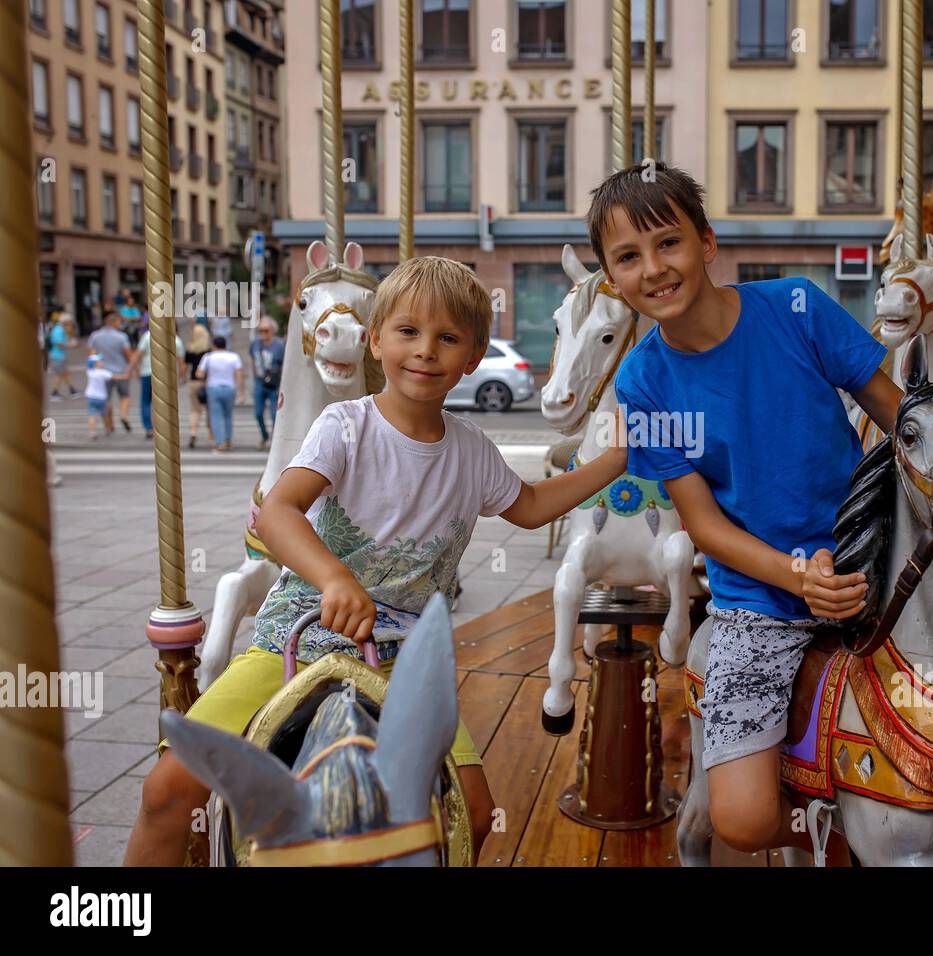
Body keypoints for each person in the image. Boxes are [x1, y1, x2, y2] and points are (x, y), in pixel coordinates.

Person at [125, 255, 630, 866]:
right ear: (375, 339)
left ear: (473, 358)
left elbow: (527, 506)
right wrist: (333, 577)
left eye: (447, 338)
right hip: (302, 634)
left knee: (471, 808)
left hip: (400, 657)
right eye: (408, 332)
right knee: (168, 787)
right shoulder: (345, 426)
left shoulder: (470, 449)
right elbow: (279, 512)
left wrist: (613, 461)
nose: (425, 351)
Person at [589, 162, 933, 858]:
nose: (654, 268)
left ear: (707, 243)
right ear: (612, 279)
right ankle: (824, 810)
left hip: (872, 558)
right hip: (758, 597)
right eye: (629, 258)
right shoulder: (643, 382)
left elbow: (900, 417)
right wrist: (795, 577)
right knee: (746, 823)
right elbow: (705, 527)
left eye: (668, 243)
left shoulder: (795, 306)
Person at [131, 317, 185, 440]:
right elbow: (181, 362)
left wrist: (134, 369)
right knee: (167, 402)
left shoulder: (147, 336)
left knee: (146, 401)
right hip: (168, 376)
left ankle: (148, 427)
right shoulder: (176, 339)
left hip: (147, 372)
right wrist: (182, 377)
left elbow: (138, 354)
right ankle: (167, 426)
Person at [86, 310, 136, 433]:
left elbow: (91, 353)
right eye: (119, 322)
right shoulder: (121, 337)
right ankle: (123, 415)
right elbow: (128, 354)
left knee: (106, 399)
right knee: (124, 396)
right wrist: (132, 369)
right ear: (113, 323)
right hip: (121, 371)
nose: (120, 324)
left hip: (103, 372)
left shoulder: (95, 336)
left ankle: (109, 425)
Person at [196, 335, 244, 452]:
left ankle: (219, 443)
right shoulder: (234, 357)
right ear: (225, 345)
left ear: (214, 345)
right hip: (229, 388)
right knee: (228, 415)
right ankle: (228, 440)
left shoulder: (208, 357)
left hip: (213, 388)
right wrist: (241, 392)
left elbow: (199, 374)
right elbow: (239, 375)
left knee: (215, 416)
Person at [250, 318, 285, 450]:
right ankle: (265, 436)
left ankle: (274, 440)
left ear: (272, 331)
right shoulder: (255, 344)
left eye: (266, 330)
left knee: (274, 414)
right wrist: (254, 378)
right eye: (260, 331)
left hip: (274, 384)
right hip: (260, 381)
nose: (263, 333)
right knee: (258, 413)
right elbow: (253, 360)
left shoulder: (279, 345)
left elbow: (284, 364)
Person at [184, 320, 213, 449]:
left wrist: (183, 377)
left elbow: (185, 366)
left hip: (193, 381)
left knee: (194, 410)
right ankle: (212, 433)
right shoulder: (209, 350)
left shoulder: (190, 349)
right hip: (206, 382)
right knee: (210, 409)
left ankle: (193, 432)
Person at [83, 354, 127, 440]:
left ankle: (92, 432)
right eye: (99, 361)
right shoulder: (102, 372)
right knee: (104, 414)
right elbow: (114, 376)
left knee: (92, 415)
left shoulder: (89, 372)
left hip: (91, 396)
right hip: (101, 397)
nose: (102, 362)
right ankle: (107, 428)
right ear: (95, 363)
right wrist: (125, 376)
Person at [47, 313, 77, 400]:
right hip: (57, 356)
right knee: (60, 375)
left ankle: (72, 390)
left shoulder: (61, 329)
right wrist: (71, 346)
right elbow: (60, 344)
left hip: (60, 356)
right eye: (70, 321)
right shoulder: (59, 330)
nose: (71, 323)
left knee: (65, 373)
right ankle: (54, 393)